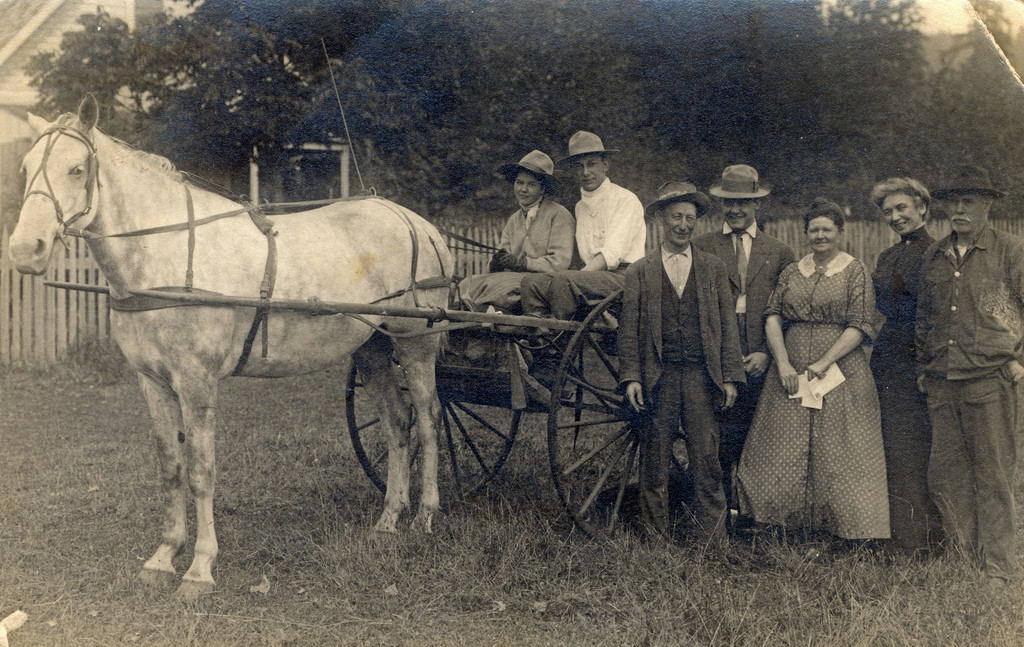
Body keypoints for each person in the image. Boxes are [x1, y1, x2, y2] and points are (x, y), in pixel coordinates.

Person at [736, 198, 890, 543]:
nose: (820, 235)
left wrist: (823, 362)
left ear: (839, 232)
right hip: (791, 369)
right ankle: (781, 524)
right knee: (782, 442)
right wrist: (784, 362)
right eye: (814, 229)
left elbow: (861, 324)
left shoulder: (854, 270)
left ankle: (845, 529)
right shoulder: (793, 270)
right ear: (806, 232)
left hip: (839, 369)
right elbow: (773, 314)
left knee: (839, 446)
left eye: (826, 229)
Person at [916, 165, 1024, 589]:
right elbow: (924, 318)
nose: (958, 210)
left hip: (989, 380)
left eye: (969, 203)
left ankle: (998, 568)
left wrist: (1019, 357)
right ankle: (964, 561)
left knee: (993, 475)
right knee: (947, 475)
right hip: (942, 381)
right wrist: (925, 368)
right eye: (953, 203)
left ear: (987, 207)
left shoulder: (1009, 251)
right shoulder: (935, 254)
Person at [618, 181, 745, 542]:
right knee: (654, 460)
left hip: (701, 378)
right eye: (676, 217)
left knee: (707, 458)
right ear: (661, 220)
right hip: (659, 378)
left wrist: (731, 377)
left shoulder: (713, 269)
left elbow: (727, 326)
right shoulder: (640, 271)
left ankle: (713, 539)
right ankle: (656, 538)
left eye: (690, 218)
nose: (683, 225)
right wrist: (632, 378)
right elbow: (629, 330)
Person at [693, 164, 795, 522]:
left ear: (757, 205)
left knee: (758, 437)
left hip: (759, 358)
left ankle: (754, 512)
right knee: (717, 435)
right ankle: (716, 513)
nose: (735, 211)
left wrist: (767, 354)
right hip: (718, 358)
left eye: (744, 203)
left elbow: (788, 310)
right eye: (728, 203)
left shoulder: (780, 252)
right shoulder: (701, 247)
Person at [868, 177, 942, 555]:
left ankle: (917, 540)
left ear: (922, 208)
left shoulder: (936, 253)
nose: (895, 217)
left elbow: (934, 314)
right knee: (892, 446)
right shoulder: (887, 256)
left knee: (913, 448)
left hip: (918, 358)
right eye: (888, 212)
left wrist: (925, 365)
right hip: (888, 357)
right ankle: (898, 532)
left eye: (902, 209)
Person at [520, 131, 646, 321]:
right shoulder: (580, 207)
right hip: (592, 279)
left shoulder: (625, 199)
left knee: (564, 281)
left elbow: (611, 254)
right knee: (531, 282)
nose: (586, 172)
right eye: (579, 166)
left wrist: (575, 278)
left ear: (606, 164)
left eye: (592, 164)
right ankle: (539, 338)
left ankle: (562, 340)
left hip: (625, 279)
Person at [458, 150, 575, 313]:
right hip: (513, 278)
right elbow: (502, 251)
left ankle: (482, 313)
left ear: (542, 189)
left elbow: (560, 262)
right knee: (467, 283)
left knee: (503, 288)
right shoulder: (514, 219)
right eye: (519, 183)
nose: (523, 189)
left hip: (542, 282)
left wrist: (523, 263)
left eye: (531, 184)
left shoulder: (559, 215)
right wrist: (497, 261)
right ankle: (469, 311)